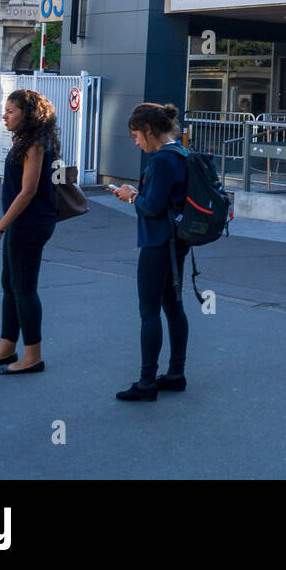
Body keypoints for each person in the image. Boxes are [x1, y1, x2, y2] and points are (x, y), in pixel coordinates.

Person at [0, 89, 59, 375]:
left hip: (30, 224)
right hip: (22, 223)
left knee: (24, 289)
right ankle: (7, 349)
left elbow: (28, 191)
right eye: (5, 111)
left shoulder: (35, 145)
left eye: (11, 111)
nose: (5, 116)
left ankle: (33, 356)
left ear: (28, 114)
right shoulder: (25, 141)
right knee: (10, 287)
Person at [111, 103, 190, 402]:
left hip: (157, 243)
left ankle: (146, 382)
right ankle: (176, 373)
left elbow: (151, 206)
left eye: (136, 135)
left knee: (149, 313)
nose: (135, 142)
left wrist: (131, 197)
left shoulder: (160, 161)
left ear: (148, 130)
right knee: (174, 308)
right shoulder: (182, 153)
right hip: (178, 242)